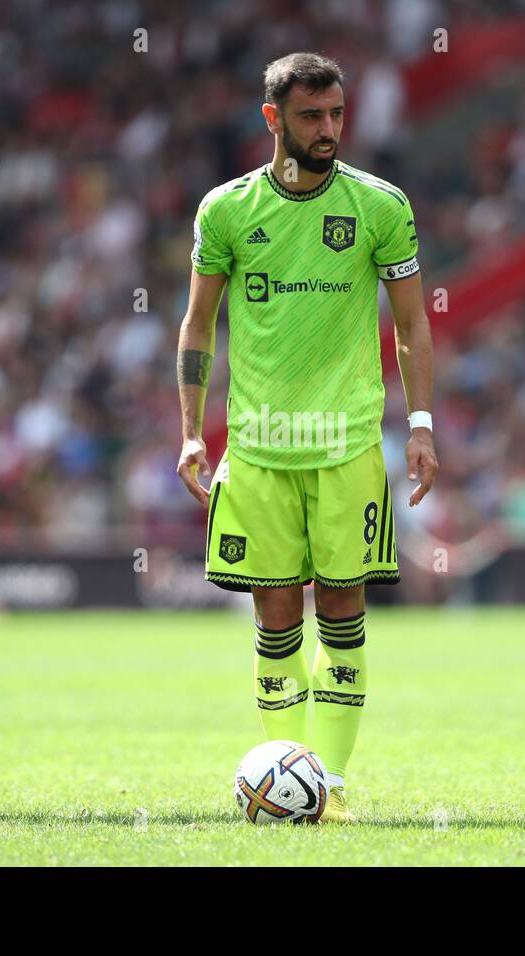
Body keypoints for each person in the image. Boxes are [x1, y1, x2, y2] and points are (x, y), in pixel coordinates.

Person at [176, 52, 438, 823]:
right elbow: (197, 325)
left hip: (347, 446)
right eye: (311, 116)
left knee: (345, 610)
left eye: (336, 114)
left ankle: (334, 786)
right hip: (258, 451)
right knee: (276, 617)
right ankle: (293, 781)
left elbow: (412, 325)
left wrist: (421, 424)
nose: (328, 129)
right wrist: (190, 433)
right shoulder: (226, 210)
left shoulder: (380, 205)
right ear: (273, 118)